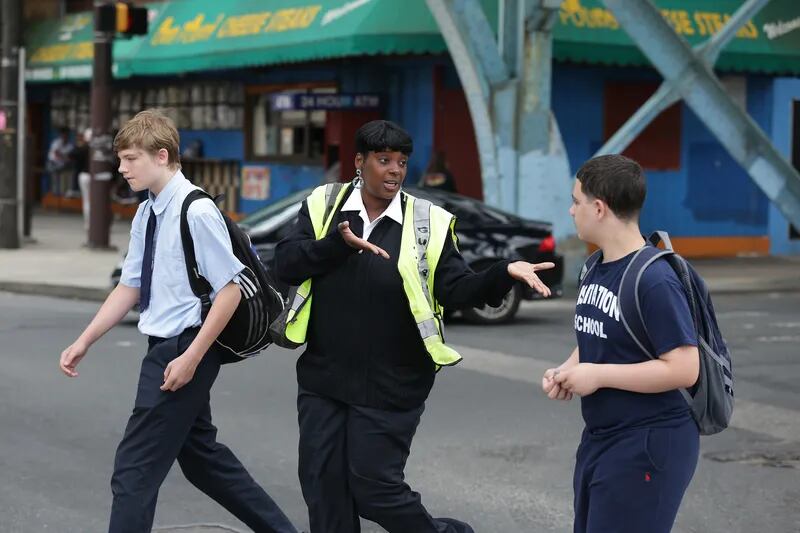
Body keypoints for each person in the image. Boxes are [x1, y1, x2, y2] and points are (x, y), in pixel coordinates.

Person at [274, 120, 555, 533]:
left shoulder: (428, 221)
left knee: (374, 488)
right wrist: (337, 245)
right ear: (359, 162)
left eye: (401, 162)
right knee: (323, 486)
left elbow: (458, 290)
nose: (394, 171)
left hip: (393, 380)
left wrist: (502, 274)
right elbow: (286, 262)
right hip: (325, 377)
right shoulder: (323, 205)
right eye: (384, 160)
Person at [59, 110, 298, 533]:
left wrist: (191, 357)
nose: (121, 168)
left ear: (162, 155)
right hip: (166, 346)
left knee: (133, 471)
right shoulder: (147, 212)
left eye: (130, 158)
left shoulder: (196, 211)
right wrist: (86, 340)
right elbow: (129, 287)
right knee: (203, 461)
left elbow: (230, 290)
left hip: (184, 347)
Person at [541, 154, 700, 533]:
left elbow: (684, 368)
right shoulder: (595, 267)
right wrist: (569, 369)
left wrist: (597, 375)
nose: (571, 210)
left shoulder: (655, 280)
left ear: (598, 208)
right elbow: (600, 335)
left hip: (649, 442)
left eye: (576, 201)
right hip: (602, 437)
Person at [47, 127, 75, 197]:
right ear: (61, 135)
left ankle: (64, 195)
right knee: (54, 181)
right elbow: (56, 154)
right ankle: (54, 196)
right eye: (63, 134)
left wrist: (64, 156)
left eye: (66, 135)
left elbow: (70, 157)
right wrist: (64, 156)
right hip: (53, 164)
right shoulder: (56, 142)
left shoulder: (70, 145)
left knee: (65, 179)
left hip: (64, 166)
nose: (65, 136)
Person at [74, 128, 92, 230]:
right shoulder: (98, 149)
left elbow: (73, 155)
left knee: (86, 201)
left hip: (84, 175)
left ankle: (88, 223)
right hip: (94, 177)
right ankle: (96, 222)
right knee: (96, 200)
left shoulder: (82, 148)